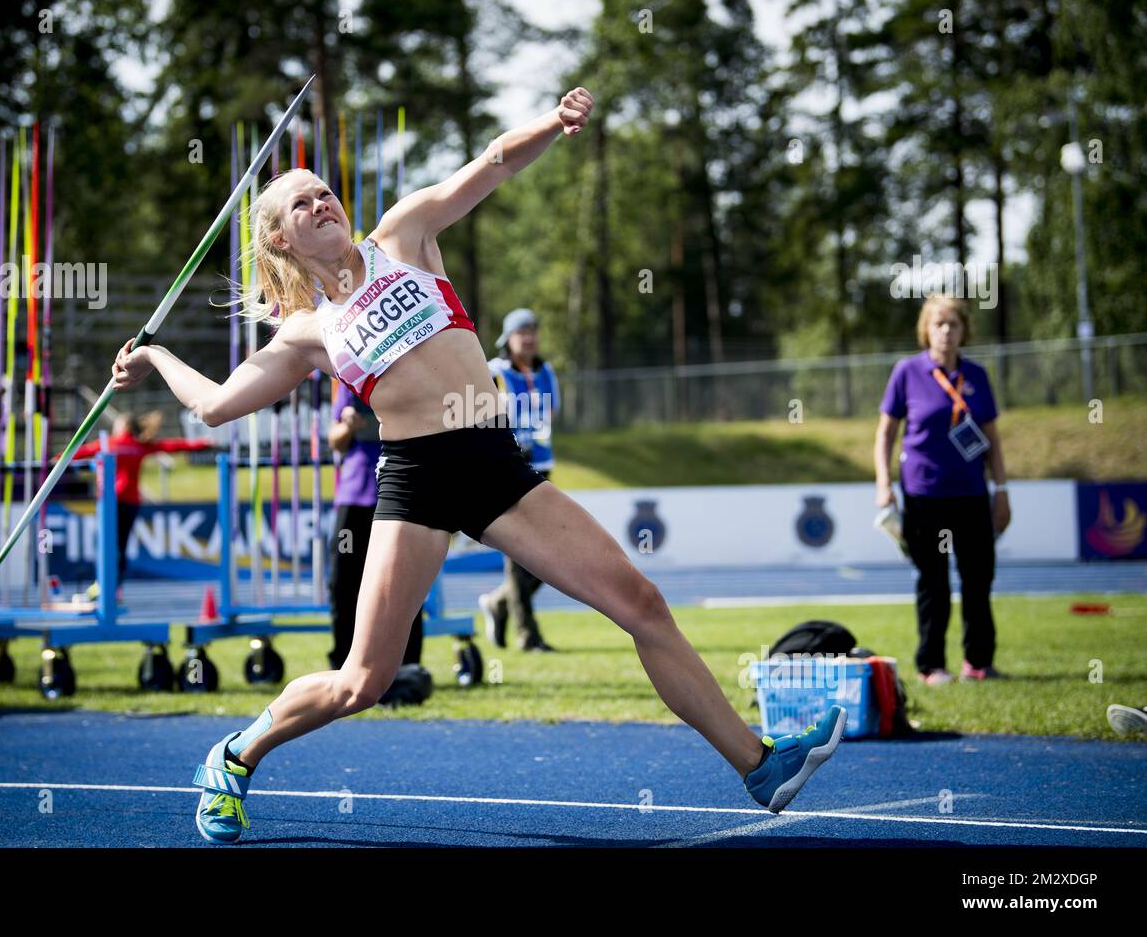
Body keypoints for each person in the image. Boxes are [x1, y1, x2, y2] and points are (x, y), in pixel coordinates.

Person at [111, 86, 846, 843]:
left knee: (641, 602)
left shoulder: (402, 237)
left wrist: (554, 126)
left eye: (324, 191)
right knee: (365, 680)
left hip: (495, 462)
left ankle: (759, 764)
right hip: (417, 478)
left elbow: (491, 164)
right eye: (302, 205)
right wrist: (158, 356)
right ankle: (233, 757)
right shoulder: (308, 332)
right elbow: (216, 406)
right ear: (281, 242)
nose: (322, 202)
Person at [875, 293, 1011, 686]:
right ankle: (931, 665)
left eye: (953, 323)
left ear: (964, 330)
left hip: (971, 495)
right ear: (926, 330)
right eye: (939, 324)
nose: (946, 331)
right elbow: (885, 434)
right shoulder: (907, 373)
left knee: (978, 579)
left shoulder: (977, 377)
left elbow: (992, 440)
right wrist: (884, 483)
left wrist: (1001, 489)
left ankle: (979, 663)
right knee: (933, 582)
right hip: (923, 496)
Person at [327, 380, 425, 673]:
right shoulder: (351, 379)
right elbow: (334, 438)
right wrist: (349, 426)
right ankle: (343, 665)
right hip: (356, 496)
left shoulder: (410, 374)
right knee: (343, 584)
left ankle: (407, 666)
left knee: (403, 582)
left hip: (401, 493)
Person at [478, 307, 558, 652]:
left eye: (533, 331)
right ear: (507, 339)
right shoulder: (494, 371)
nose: (529, 338)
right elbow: (482, 415)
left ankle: (499, 602)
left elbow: (552, 413)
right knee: (520, 553)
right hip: (508, 468)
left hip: (543, 467)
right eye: (521, 332)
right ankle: (528, 635)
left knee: (549, 555)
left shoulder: (546, 371)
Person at [67, 411, 212, 591]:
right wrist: (201, 444)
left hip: (110, 501)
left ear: (123, 427)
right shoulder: (140, 445)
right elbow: (171, 446)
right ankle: (116, 588)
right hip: (131, 502)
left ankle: (104, 584)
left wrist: (55, 460)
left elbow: (80, 452)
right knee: (121, 545)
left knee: (106, 543)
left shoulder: (109, 444)